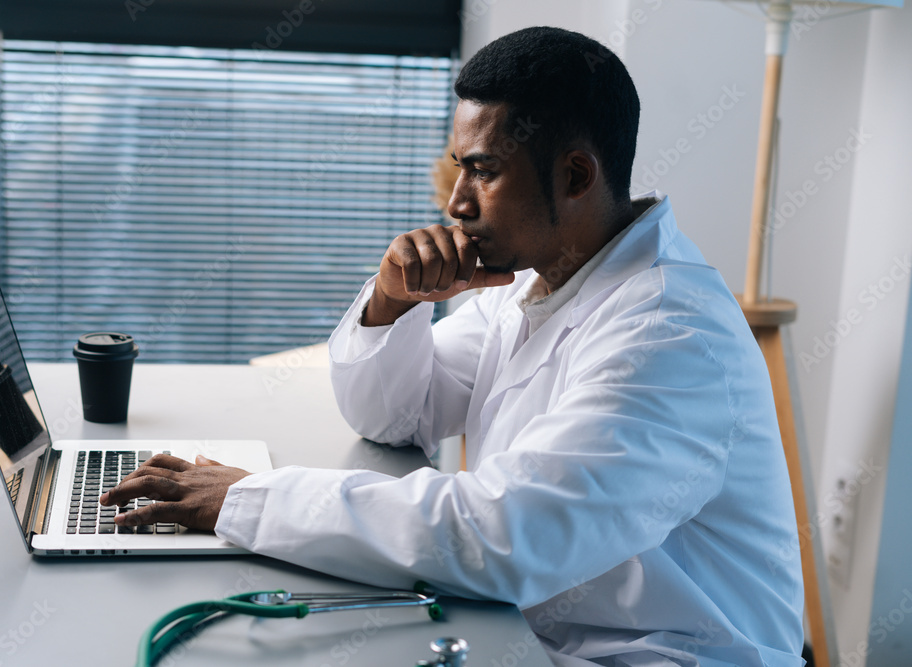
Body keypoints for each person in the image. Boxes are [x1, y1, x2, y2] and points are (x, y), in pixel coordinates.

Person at [101, 27, 805, 666]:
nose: (456, 204)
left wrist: (247, 499)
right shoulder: (538, 281)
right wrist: (392, 300)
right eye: (458, 168)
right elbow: (396, 414)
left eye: (485, 171)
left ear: (576, 176)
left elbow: (500, 534)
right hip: (537, 631)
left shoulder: (667, 332)